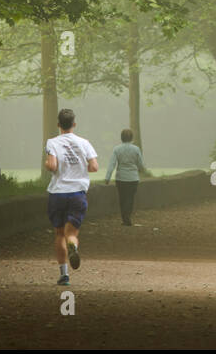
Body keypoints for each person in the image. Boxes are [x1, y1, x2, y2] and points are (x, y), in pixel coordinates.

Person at [44, 108, 98, 285]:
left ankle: (64, 275)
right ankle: (73, 245)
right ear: (74, 124)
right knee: (71, 233)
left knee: (59, 233)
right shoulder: (84, 143)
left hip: (58, 193)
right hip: (77, 193)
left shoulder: (52, 142)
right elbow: (94, 167)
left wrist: (47, 163)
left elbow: (52, 166)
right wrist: (82, 168)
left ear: (58, 124)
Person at [104, 128, 149, 226]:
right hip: (133, 178)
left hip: (121, 178)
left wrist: (107, 177)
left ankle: (125, 218)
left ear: (121, 138)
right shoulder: (136, 149)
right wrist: (144, 171)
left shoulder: (117, 149)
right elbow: (140, 164)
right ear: (131, 138)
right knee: (130, 198)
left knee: (122, 198)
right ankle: (127, 216)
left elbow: (112, 164)